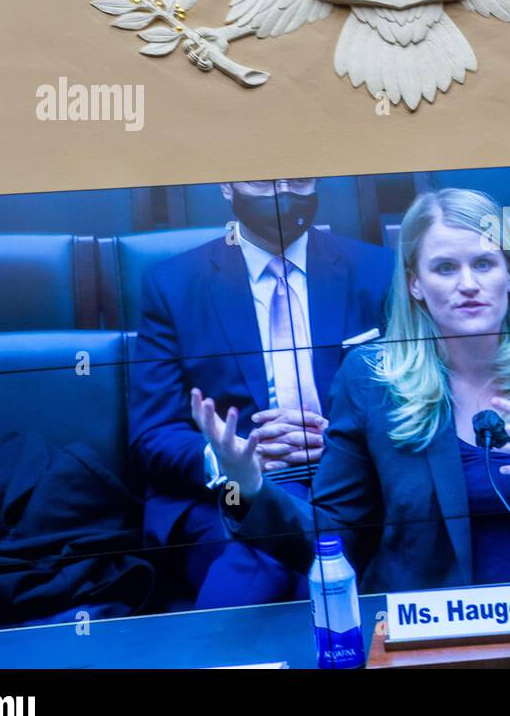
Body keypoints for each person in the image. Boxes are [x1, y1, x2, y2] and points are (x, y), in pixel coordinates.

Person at [206, 187, 510, 592]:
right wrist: (246, 489)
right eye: (444, 268)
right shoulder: (372, 382)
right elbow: (334, 543)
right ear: (415, 284)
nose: (468, 285)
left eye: (484, 264)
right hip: (433, 641)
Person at [127, 178, 393, 608]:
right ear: (227, 187)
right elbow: (151, 435)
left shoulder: (379, 271)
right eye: (261, 178)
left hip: (349, 482)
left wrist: (344, 444)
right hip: (224, 493)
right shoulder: (173, 285)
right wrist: (229, 457)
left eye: (297, 178)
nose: (281, 191)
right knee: (286, 554)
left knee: (286, 555)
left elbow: (417, 396)